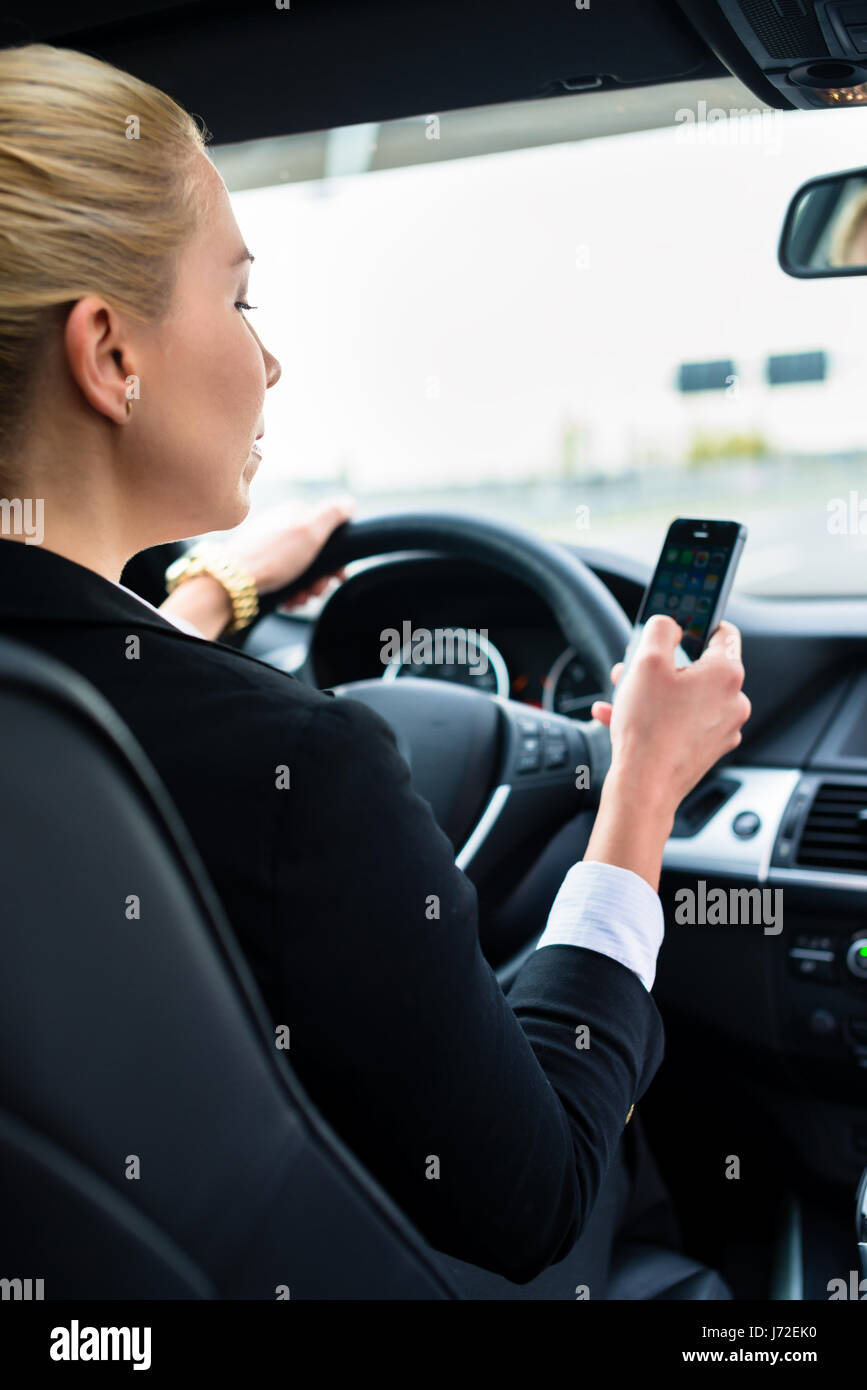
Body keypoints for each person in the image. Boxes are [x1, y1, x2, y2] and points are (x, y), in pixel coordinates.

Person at [0, 43, 750, 1294]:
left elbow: (81, 710)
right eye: (239, 300)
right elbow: (531, 1195)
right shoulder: (302, 764)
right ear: (110, 356)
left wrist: (220, 588)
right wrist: (640, 797)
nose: (270, 359)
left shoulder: (85, 723)